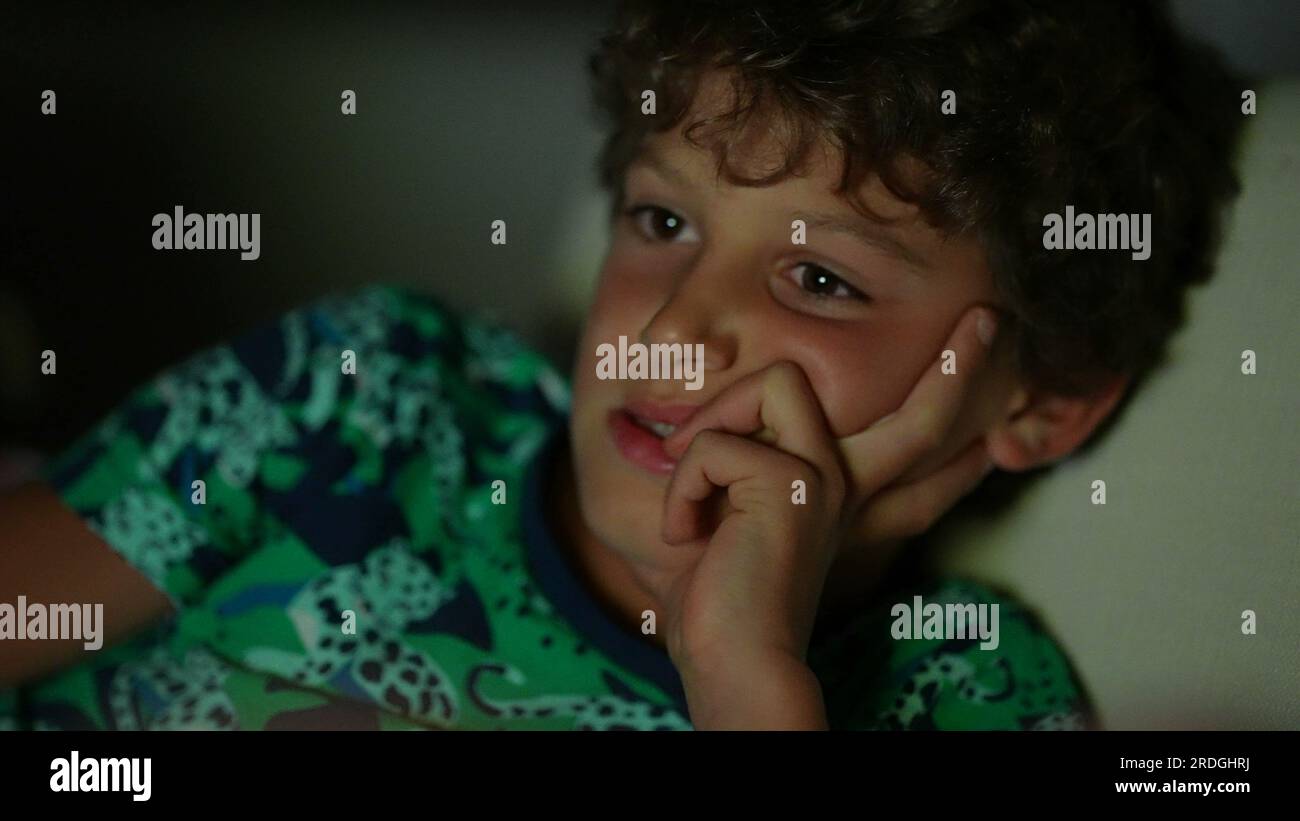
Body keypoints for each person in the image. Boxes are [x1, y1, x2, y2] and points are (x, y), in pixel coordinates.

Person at [0, 0, 1243, 730]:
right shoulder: (366, 392)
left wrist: (744, 673)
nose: (671, 331)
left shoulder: (973, 691)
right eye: (663, 223)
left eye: (822, 279)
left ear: (1045, 402)